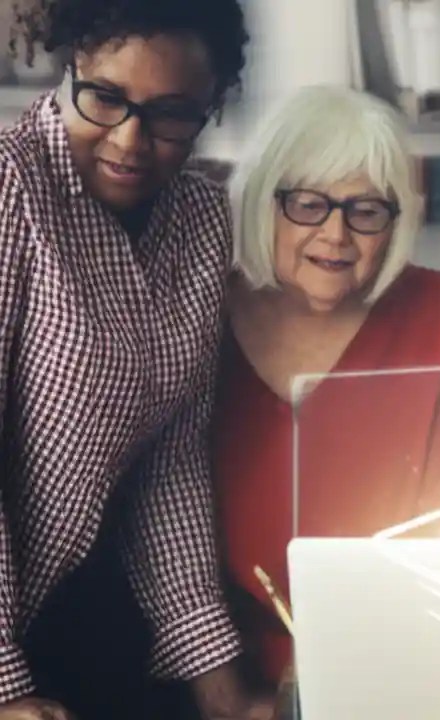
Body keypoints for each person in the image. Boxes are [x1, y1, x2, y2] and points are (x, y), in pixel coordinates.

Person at [0, 0, 270, 718]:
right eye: (107, 98)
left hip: (95, 609)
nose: (129, 139)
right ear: (70, 69)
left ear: (210, 107)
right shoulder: (11, 190)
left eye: (171, 113)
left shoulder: (201, 219)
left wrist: (219, 684)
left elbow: (172, 459)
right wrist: (6, 686)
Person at [214, 85, 440, 694]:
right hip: (209, 678)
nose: (336, 235)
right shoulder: (201, 306)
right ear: (263, 200)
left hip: (395, 672)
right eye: (308, 204)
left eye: (366, 210)